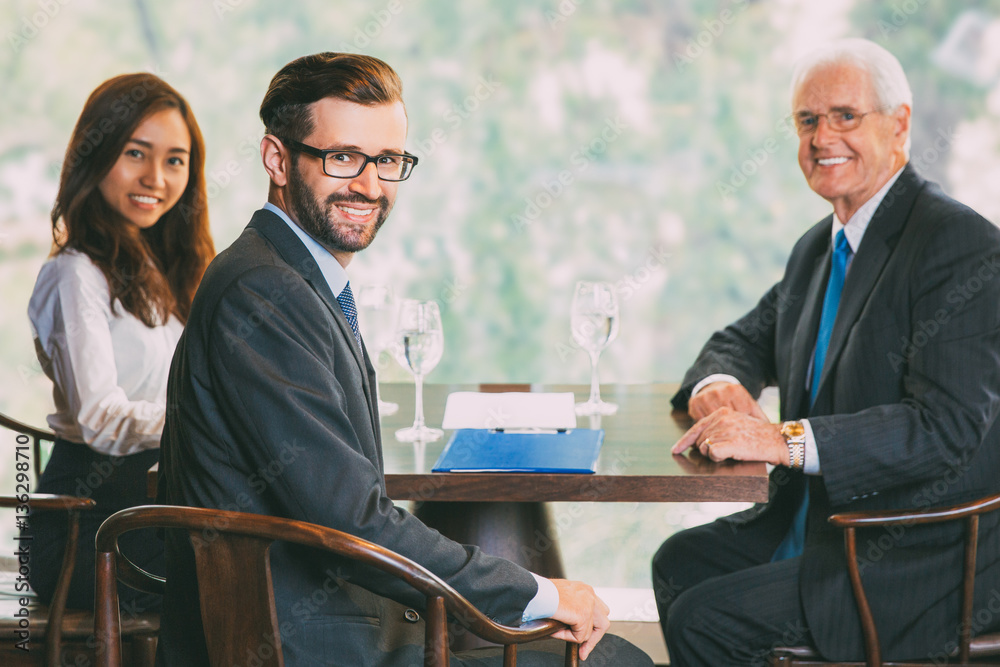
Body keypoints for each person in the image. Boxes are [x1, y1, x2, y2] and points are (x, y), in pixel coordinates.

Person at [157, 52, 651, 666]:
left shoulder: (288, 275)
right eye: (343, 157)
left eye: (387, 160)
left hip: (347, 626)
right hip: (306, 647)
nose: (369, 185)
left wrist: (516, 601)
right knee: (617, 659)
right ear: (277, 159)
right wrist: (539, 593)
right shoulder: (264, 291)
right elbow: (353, 523)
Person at [652, 38, 1000, 666]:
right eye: (807, 121)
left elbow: (944, 430)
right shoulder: (821, 246)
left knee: (705, 618)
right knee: (678, 564)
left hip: (911, 552)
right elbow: (739, 340)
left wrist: (781, 440)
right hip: (818, 523)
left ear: (899, 125)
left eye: (845, 116)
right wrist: (718, 384)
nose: (821, 138)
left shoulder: (957, 243)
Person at [25, 72, 214, 614]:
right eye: (137, 153)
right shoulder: (74, 273)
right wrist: (206, 422)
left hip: (158, 503)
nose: (156, 177)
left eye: (175, 160)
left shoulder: (169, 264)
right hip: (89, 524)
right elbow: (99, 418)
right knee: (258, 569)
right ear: (97, 151)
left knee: (274, 553)